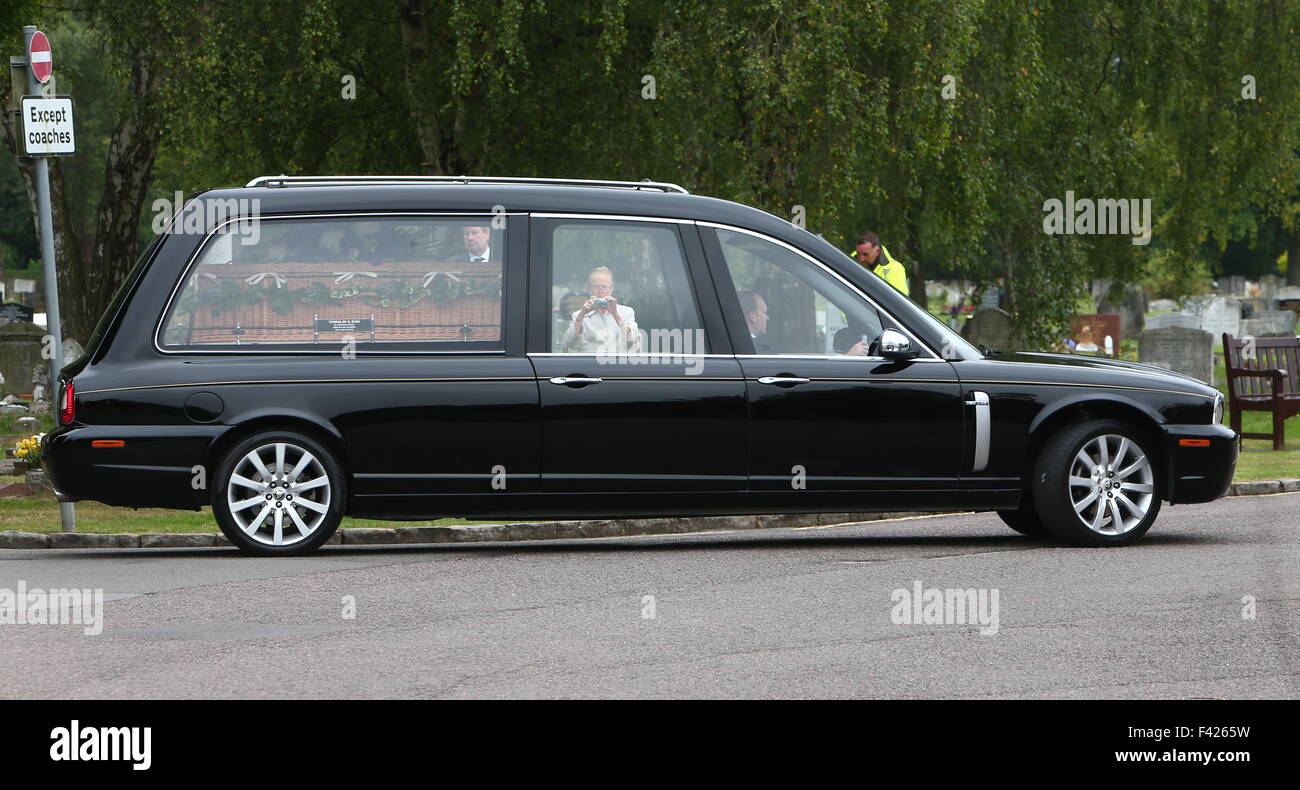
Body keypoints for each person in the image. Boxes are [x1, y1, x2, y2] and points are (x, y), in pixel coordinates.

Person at [561, 266, 641, 353]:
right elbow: (567, 344)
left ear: (611, 288)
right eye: (596, 287)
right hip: (589, 365)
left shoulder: (626, 312)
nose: (600, 291)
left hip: (616, 364)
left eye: (604, 287)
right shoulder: (578, 315)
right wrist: (582, 315)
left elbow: (635, 341)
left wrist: (616, 315)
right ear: (589, 288)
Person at [851, 231, 909, 296]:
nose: (861, 259)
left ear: (877, 251)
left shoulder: (895, 269)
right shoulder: (849, 261)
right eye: (858, 253)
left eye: (865, 254)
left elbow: (897, 301)